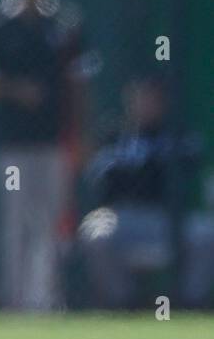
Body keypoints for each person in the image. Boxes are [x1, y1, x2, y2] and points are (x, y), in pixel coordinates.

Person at [0, 0, 99, 310]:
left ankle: (46, 301)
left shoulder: (66, 24)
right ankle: (15, 301)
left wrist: (83, 135)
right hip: (13, 146)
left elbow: (80, 83)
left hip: (54, 144)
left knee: (52, 223)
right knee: (15, 223)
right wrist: (14, 89)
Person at [79, 75, 214, 308]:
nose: (144, 104)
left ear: (162, 103)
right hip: (121, 215)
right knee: (96, 235)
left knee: (206, 235)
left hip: (169, 217)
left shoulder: (177, 135)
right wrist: (143, 171)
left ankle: (191, 303)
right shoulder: (115, 135)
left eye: (151, 99)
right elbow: (101, 176)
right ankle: (124, 304)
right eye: (139, 98)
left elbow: (189, 163)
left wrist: (140, 170)